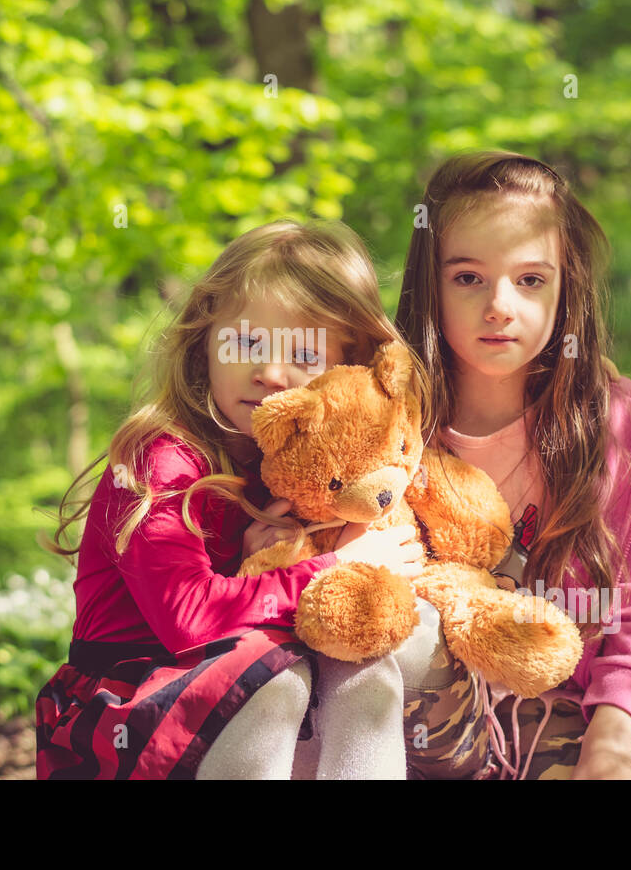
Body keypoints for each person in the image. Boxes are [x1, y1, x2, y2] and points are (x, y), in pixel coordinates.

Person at [36, 218, 427, 779]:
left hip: (229, 691)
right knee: (275, 678)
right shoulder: (163, 458)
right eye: (246, 341)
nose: (270, 372)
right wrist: (335, 567)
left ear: (350, 366)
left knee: (363, 659)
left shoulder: (309, 467)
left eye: (304, 353)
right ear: (204, 347)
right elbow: (191, 620)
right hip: (125, 707)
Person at [392, 151, 631, 780]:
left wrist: (610, 741)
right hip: (419, 722)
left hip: (567, 719)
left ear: (565, 286)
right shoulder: (387, 421)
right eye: (468, 277)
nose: (500, 305)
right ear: (430, 285)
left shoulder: (621, 424)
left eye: (530, 280)